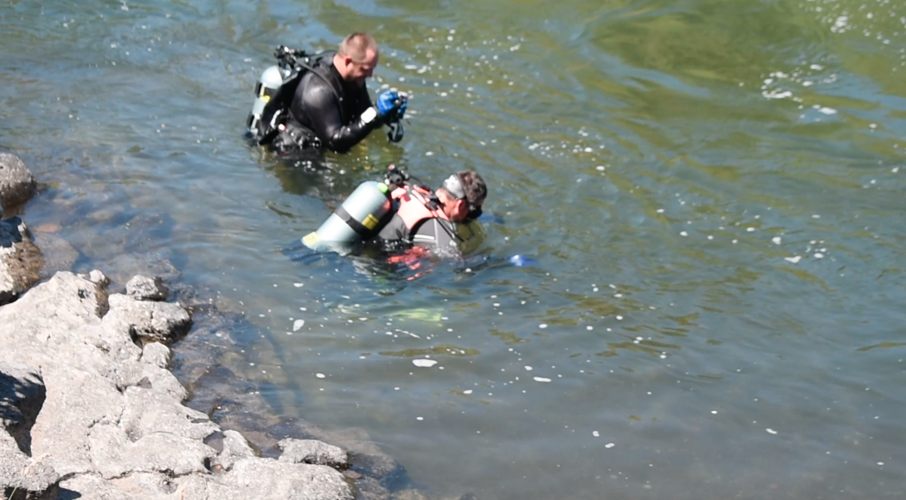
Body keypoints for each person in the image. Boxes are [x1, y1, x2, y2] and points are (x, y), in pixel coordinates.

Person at [273, 32, 407, 155]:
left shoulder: (355, 77)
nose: (370, 75)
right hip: (296, 154)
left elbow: (364, 115)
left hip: (326, 143)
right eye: (366, 69)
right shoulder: (319, 90)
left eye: (372, 69)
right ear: (348, 61)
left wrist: (386, 114)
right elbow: (336, 142)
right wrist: (376, 113)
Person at [375, 170, 487, 258]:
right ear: (460, 205)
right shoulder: (441, 233)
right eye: (474, 211)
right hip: (374, 258)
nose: (472, 216)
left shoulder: (414, 188)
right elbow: (456, 262)